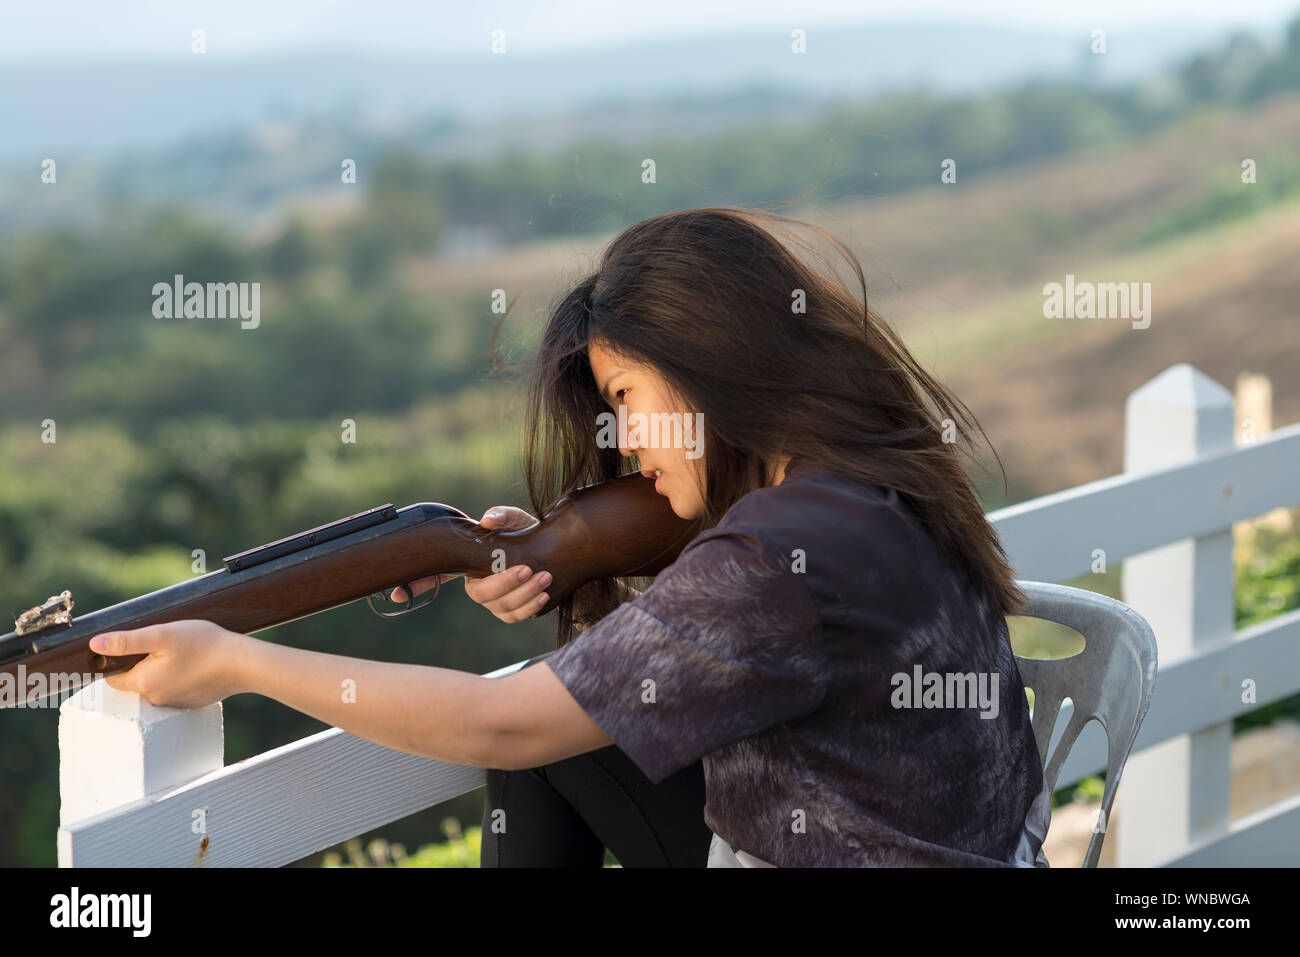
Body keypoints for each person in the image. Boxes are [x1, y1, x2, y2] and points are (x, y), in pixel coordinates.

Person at [90, 206, 1051, 868]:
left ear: (712, 359)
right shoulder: (872, 472)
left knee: (533, 733)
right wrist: (564, 554)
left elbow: (495, 724)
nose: (624, 437)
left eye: (627, 396)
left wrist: (235, 661)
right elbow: (770, 618)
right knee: (569, 730)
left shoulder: (774, 555)